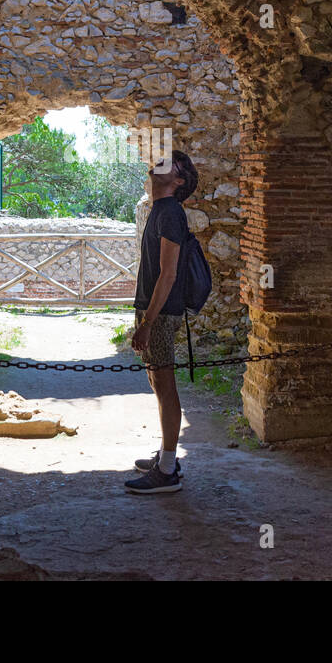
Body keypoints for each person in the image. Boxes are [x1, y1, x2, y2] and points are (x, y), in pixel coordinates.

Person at [125, 149, 198, 495]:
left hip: (162, 312)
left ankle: (167, 470)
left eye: (174, 164)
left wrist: (148, 322)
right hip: (153, 309)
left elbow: (168, 274)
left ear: (179, 181)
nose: (162, 163)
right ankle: (167, 455)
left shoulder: (170, 213)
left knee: (165, 385)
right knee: (158, 381)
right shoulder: (160, 210)